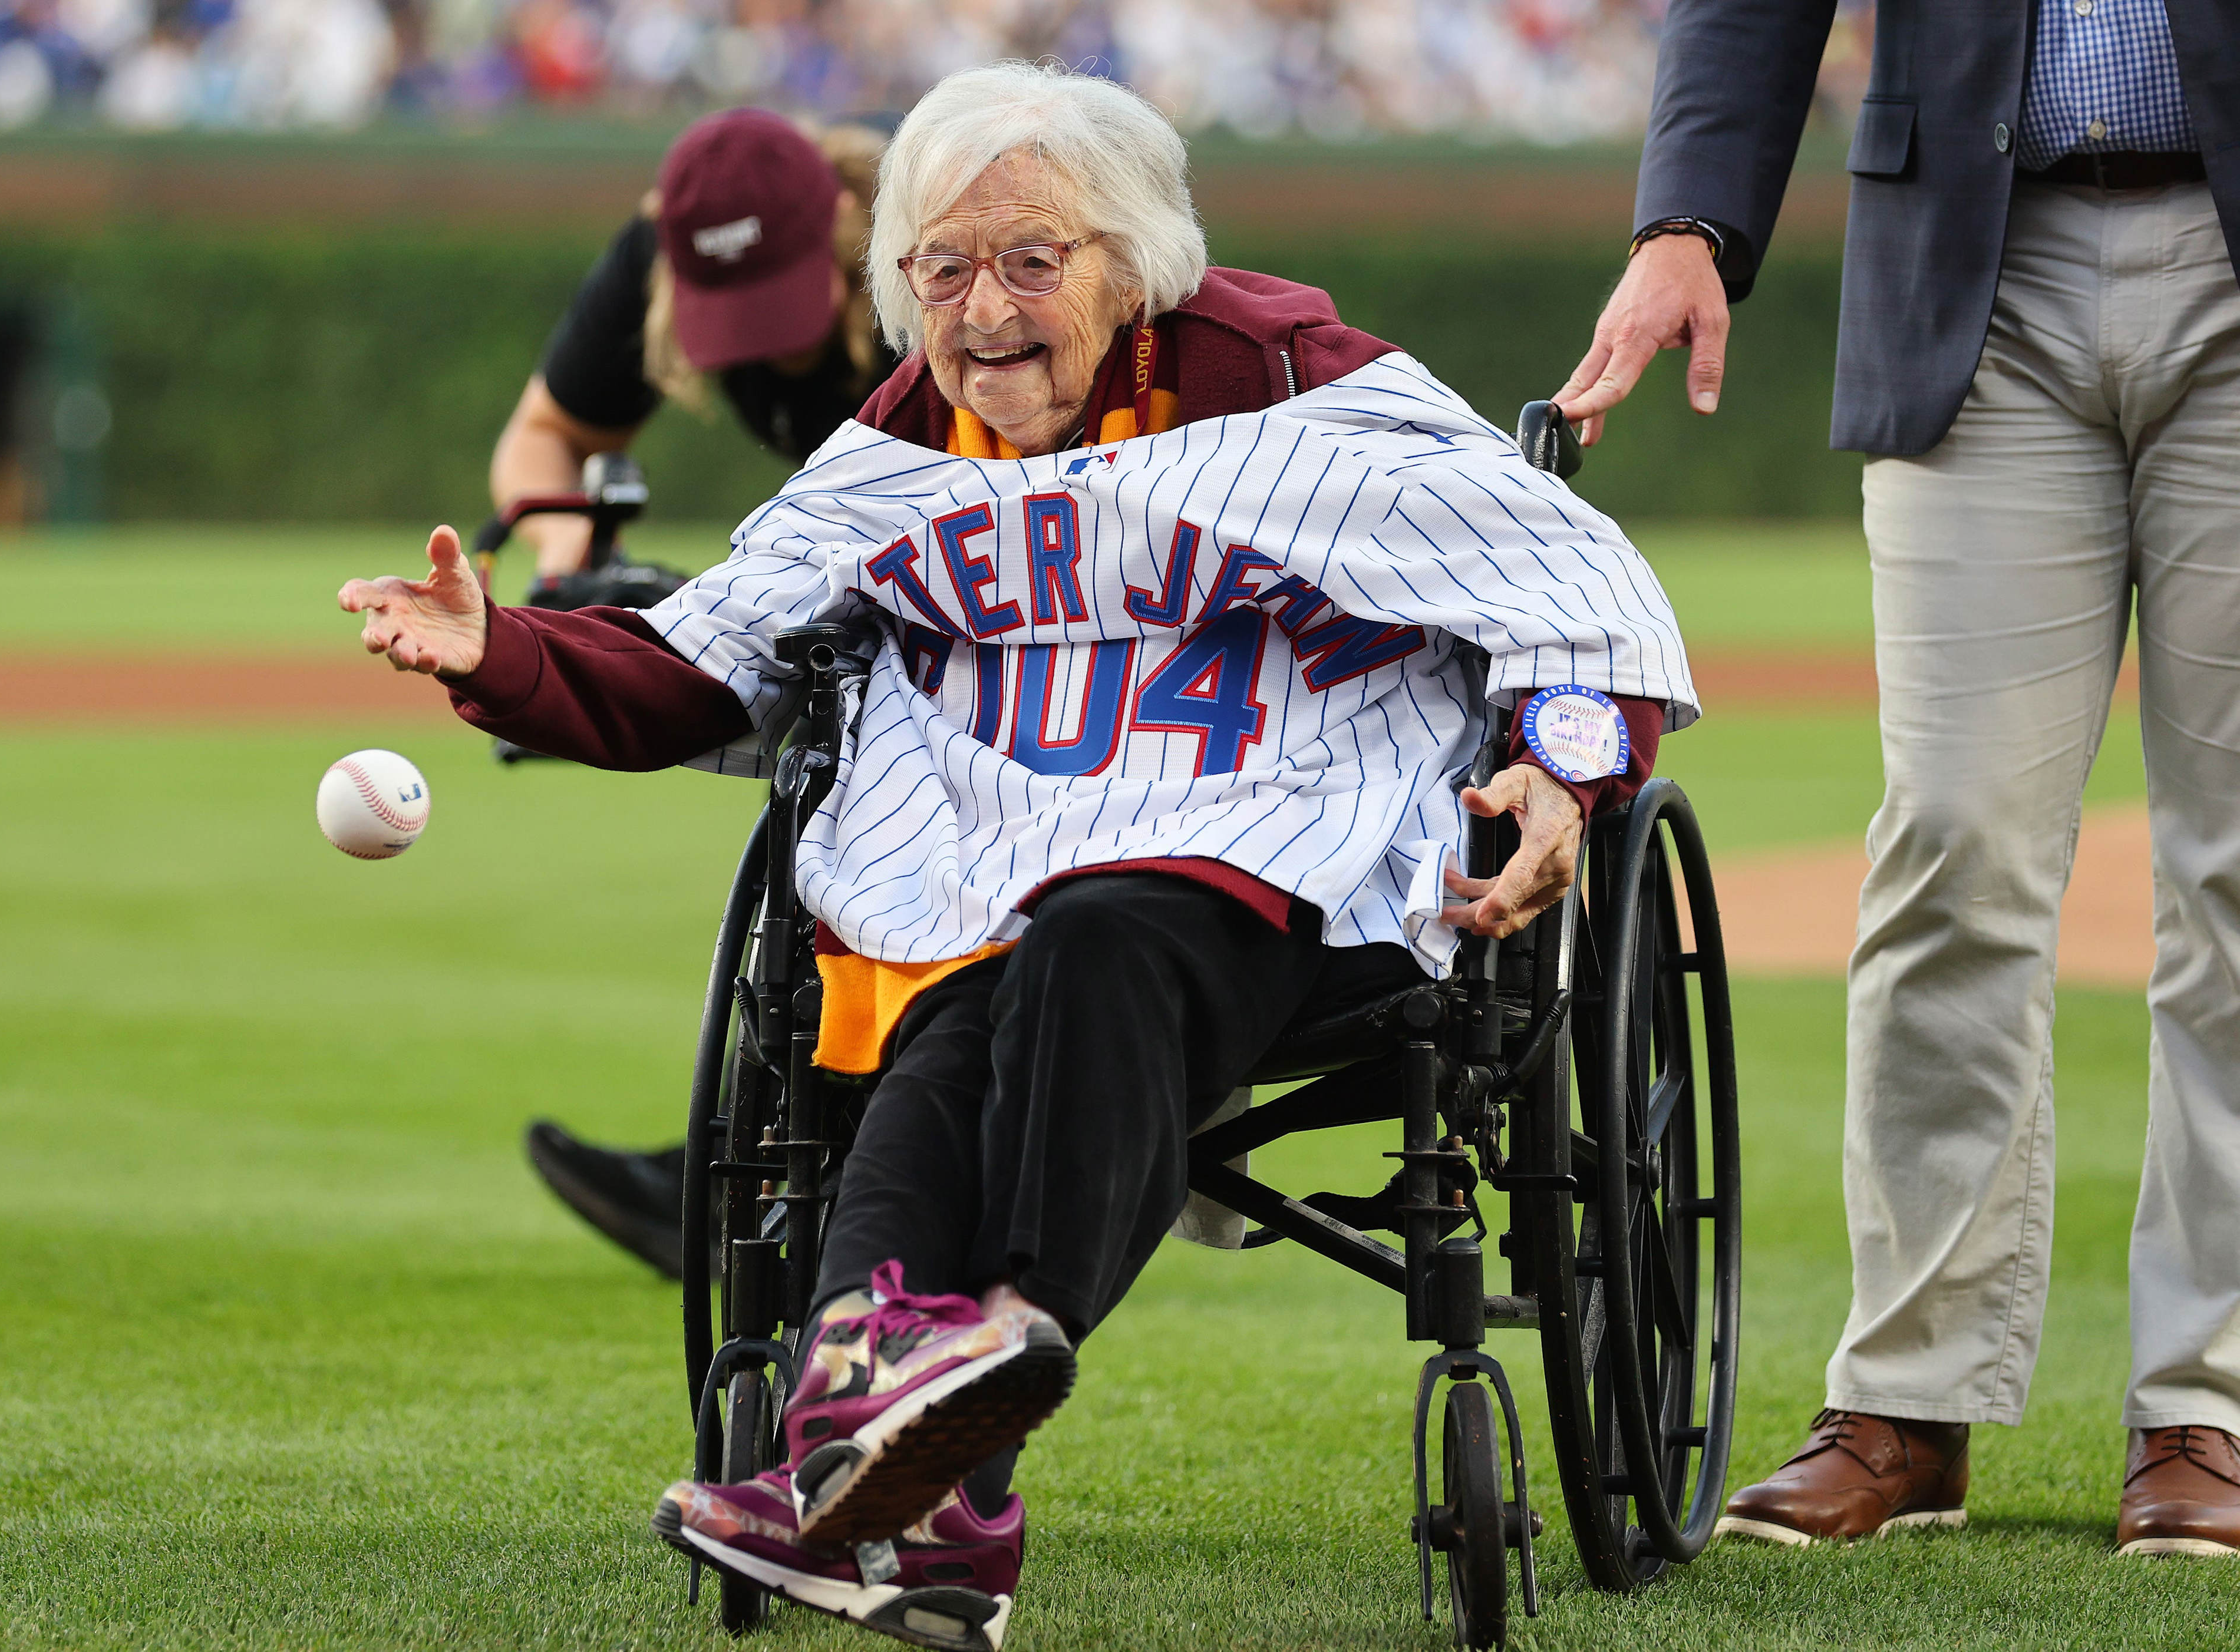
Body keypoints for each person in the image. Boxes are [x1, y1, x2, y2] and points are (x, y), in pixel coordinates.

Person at [347, 63, 1695, 1649]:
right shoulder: (896, 446)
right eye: (938, 269)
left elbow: (1555, 580)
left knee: (1091, 936)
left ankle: (994, 1359)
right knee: (938, 1018)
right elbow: (707, 664)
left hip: (1280, 847)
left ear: (1129, 263)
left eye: (1027, 260)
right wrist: (497, 650)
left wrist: (1562, 774)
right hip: (1019, 866)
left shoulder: (1288, 377)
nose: (981, 309)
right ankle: (895, 1464)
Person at [1556, 0, 2240, 1558]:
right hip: (1966, 263)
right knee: (1948, 838)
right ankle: (1904, 1399)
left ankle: (2204, 1404)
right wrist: (1684, 222)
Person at [494, 105, 900, 1278]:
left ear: (837, 229)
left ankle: (775, 1164)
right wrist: (571, 573)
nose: (761, 344)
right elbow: (547, 434)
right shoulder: (657, 253)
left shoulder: (923, 265)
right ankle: (755, 1162)